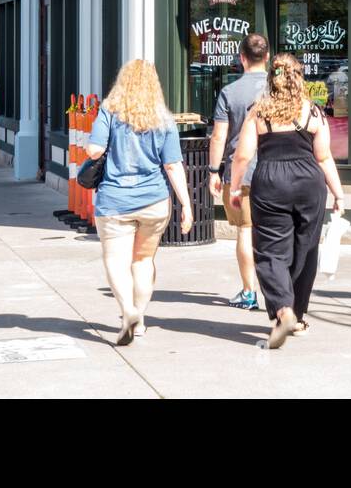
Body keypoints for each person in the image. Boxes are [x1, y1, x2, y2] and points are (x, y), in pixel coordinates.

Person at [229, 53, 345, 349]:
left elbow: (242, 155)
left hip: (270, 182)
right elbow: (324, 156)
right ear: (299, 78)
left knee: (270, 251)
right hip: (309, 183)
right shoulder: (313, 113)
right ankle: (299, 316)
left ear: (272, 79)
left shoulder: (259, 113)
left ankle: (283, 310)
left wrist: (233, 187)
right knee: (305, 251)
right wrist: (339, 193)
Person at [84, 59, 192, 346]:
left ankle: (127, 311)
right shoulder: (164, 119)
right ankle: (140, 318)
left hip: (115, 201)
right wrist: (187, 205)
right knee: (143, 260)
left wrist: (94, 145)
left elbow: (94, 151)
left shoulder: (109, 111)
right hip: (154, 201)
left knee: (115, 261)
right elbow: (173, 166)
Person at [207, 33, 270, 310]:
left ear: (242, 58)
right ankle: (281, 293)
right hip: (277, 172)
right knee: (275, 233)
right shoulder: (280, 89)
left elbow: (219, 137)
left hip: (240, 174)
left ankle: (249, 292)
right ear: (267, 57)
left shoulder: (229, 93)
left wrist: (213, 171)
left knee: (245, 231)